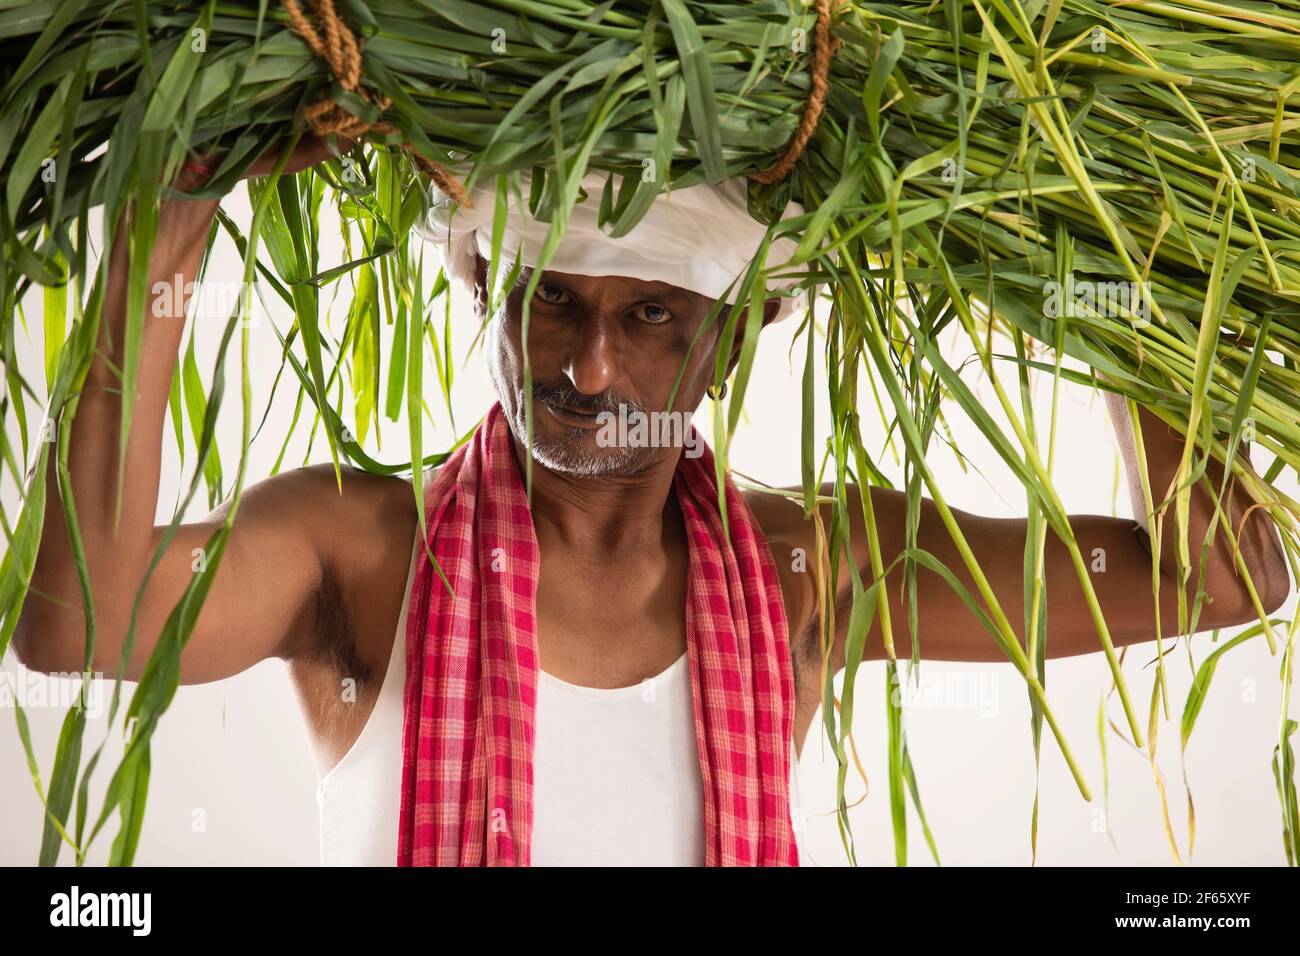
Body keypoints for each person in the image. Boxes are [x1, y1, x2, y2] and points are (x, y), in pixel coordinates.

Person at [13, 137, 1290, 866]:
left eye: (652, 316)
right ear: (485, 298)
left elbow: (1219, 577)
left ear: (733, 340)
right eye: (552, 299)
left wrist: (1118, 273)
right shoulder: (362, 545)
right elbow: (82, 620)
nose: (586, 367)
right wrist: (156, 255)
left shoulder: (812, 566)